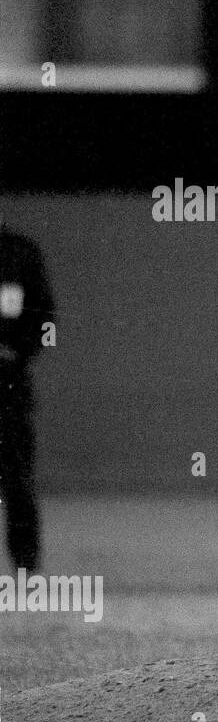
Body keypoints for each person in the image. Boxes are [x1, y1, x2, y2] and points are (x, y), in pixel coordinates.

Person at [0, 219, 55, 573]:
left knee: (17, 476)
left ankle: (26, 566)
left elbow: (44, 317)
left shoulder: (18, 252)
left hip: (6, 385)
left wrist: (17, 350)